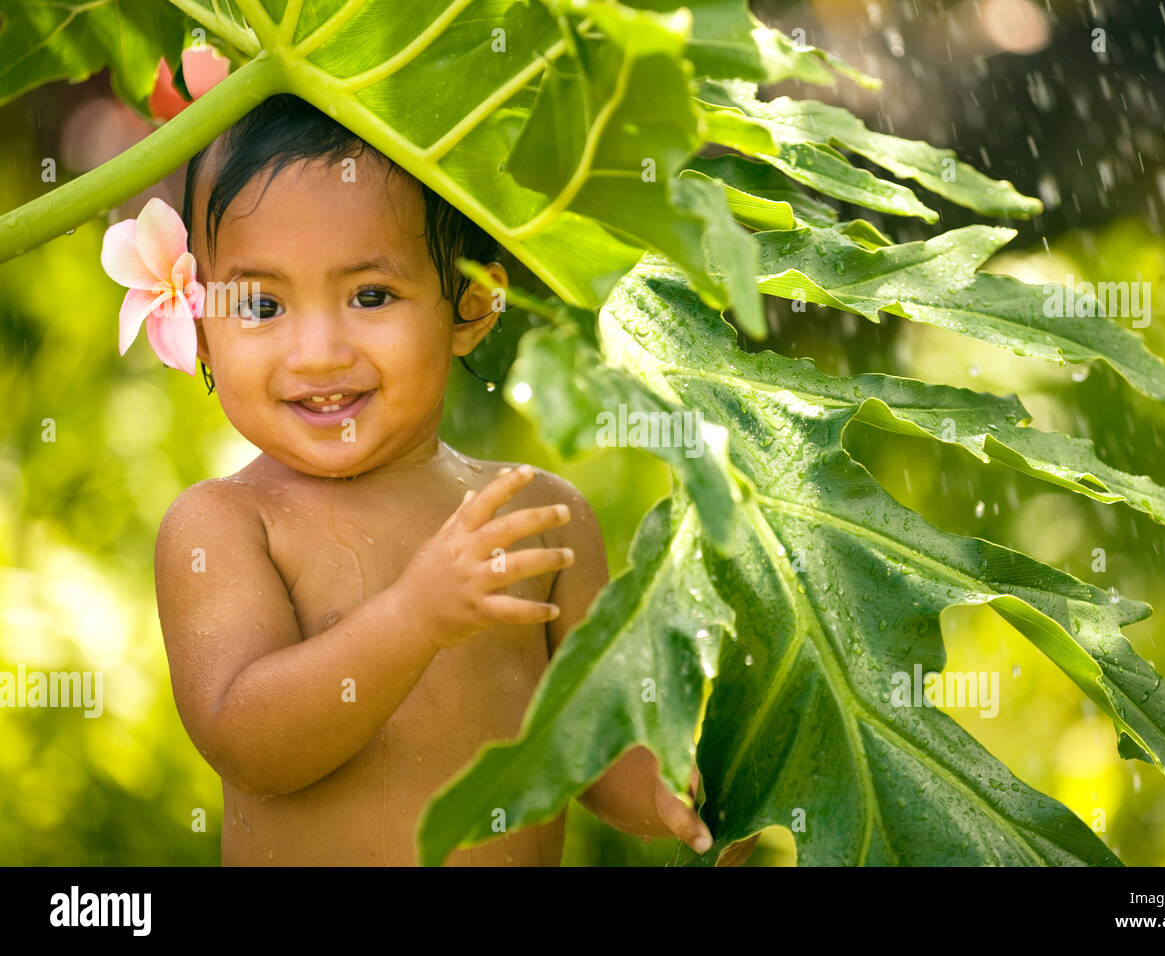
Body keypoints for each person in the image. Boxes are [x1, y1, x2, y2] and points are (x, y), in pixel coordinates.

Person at [139, 93, 755, 866]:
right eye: (261, 304)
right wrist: (414, 618)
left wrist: (673, 788)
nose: (318, 351)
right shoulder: (224, 526)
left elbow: (593, 743)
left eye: (371, 295)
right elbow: (250, 743)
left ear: (471, 307)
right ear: (199, 326)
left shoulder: (539, 515)